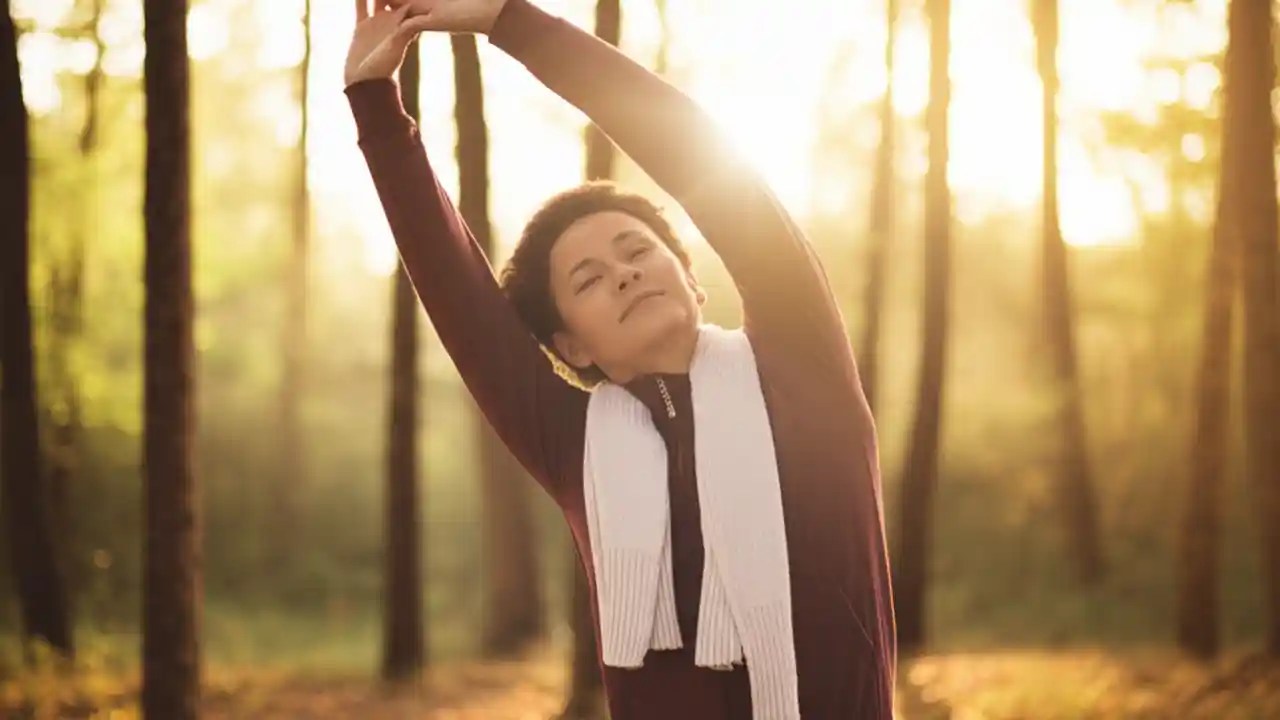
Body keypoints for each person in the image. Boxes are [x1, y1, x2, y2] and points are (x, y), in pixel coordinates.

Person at [343, 1, 896, 717]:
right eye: (589, 279)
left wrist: (508, 19)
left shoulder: (803, 371)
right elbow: (459, 298)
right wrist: (375, 107)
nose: (626, 274)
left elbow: (690, 147)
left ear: (692, 277)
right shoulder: (578, 448)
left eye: (637, 252)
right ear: (571, 347)